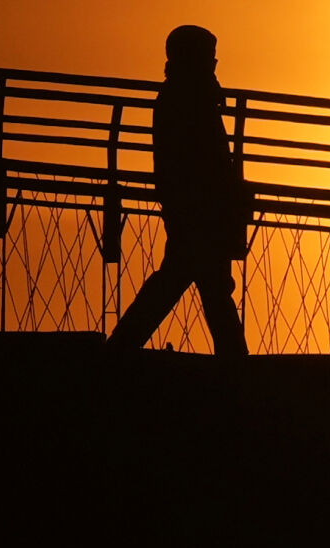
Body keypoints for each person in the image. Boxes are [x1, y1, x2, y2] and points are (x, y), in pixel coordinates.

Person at [107, 25, 250, 358]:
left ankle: (120, 348)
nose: (215, 65)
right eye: (210, 59)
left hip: (190, 205)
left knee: (187, 280)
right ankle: (238, 367)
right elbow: (206, 159)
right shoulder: (191, 98)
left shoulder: (182, 95)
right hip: (198, 207)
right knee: (204, 285)